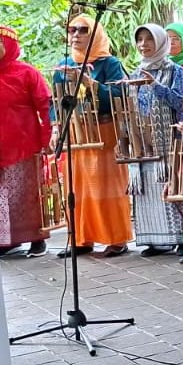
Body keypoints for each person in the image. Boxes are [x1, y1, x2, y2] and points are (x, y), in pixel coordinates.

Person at [54, 15, 132, 258]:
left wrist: (91, 83)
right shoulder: (64, 65)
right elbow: (56, 102)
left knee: (107, 185)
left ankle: (116, 239)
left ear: (95, 33)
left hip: (104, 132)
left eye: (83, 30)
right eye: (72, 30)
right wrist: (56, 127)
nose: (75, 35)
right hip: (76, 133)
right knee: (78, 187)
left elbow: (120, 95)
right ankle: (81, 239)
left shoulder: (109, 63)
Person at [0, 25, 53, 256]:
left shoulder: (27, 72)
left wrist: (47, 137)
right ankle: (8, 240)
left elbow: (46, 105)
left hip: (24, 144)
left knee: (26, 194)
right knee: (0, 195)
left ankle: (36, 239)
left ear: (9, 45)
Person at [129, 24, 183, 256]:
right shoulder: (135, 73)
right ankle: (154, 240)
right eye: (140, 40)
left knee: (171, 185)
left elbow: (177, 102)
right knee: (149, 189)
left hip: (171, 139)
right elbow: (134, 107)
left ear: (161, 42)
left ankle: (181, 239)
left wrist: (155, 85)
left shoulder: (176, 71)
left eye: (149, 39)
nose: (144, 45)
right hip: (145, 141)